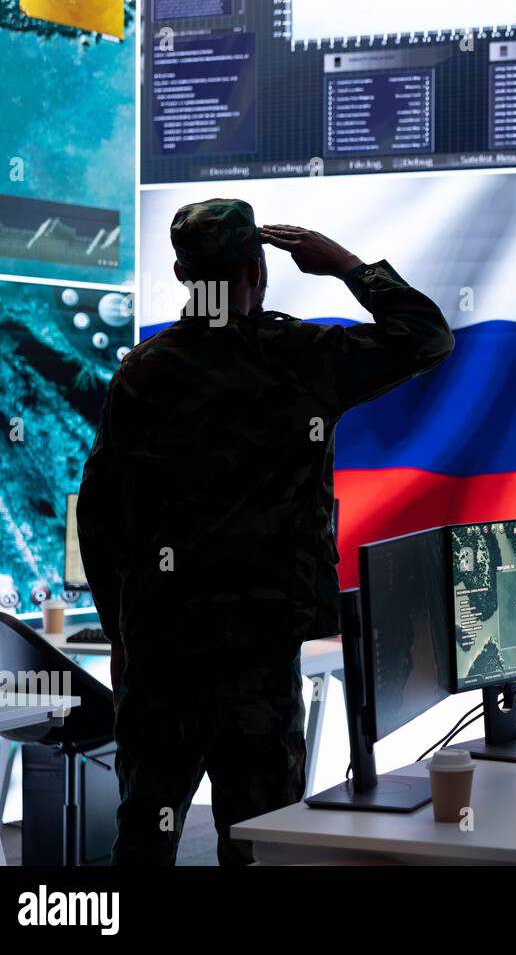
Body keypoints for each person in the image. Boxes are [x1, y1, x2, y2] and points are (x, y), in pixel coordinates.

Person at [77, 199, 454, 865]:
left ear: (178, 271)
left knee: (146, 838)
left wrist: (120, 633)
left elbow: (100, 515)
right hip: (255, 659)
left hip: (162, 652)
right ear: (260, 268)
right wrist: (343, 265)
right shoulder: (299, 358)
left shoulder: (143, 374)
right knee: (259, 842)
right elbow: (424, 335)